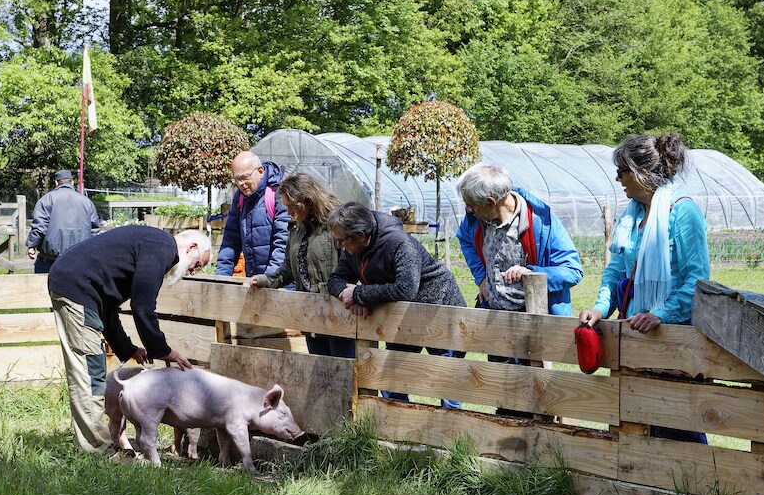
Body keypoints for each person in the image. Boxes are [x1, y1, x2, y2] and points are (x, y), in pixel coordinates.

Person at [577, 131, 710, 444]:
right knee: (640, 417)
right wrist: (600, 307)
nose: (618, 179)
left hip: (673, 336)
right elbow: (615, 270)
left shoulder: (682, 212)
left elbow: (697, 278)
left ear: (643, 173)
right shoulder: (633, 213)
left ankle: (696, 487)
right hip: (634, 333)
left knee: (678, 420)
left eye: (622, 172)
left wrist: (661, 314)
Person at [47, 226, 210, 454]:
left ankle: (96, 445)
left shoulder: (153, 243)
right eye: (198, 264)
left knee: (90, 368)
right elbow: (143, 306)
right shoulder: (163, 247)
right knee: (89, 370)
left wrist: (128, 348)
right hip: (76, 288)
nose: (193, 271)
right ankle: (98, 451)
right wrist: (163, 350)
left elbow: (109, 306)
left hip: (77, 286)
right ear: (192, 247)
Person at [326, 202, 467, 408]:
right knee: (391, 377)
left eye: (341, 241)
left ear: (360, 236)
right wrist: (348, 296)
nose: (339, 246)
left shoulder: (399, 244)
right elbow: (335, 279)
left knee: (444, 376)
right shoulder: (353, 249)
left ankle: (453, 434)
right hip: (401, 318)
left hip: (436, 309)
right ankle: (398, 431)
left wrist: (359, 293)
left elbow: (405, 289)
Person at [455, 162, 583, 317]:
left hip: (536, 319)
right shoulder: (475, 220)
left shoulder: (542, 222)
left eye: (471, 206)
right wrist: (482, 277)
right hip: (492, 316)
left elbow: (573, 271)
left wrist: (532, 273)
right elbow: (464, 239)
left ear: (491, 201)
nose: (469, 211)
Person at [248, 172, 355, 358]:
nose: (288, 211)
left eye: (290, 206)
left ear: (305, 200)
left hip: (337, 313)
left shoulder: (336, 224)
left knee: (345, 371)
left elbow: (353, 264)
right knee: (322, 371)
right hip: (310, 313)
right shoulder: (296, 228)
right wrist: (266, 280)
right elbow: (289, 268)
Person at [215, 151, 290, 279]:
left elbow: (283, 244)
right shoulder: (240, 198)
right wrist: (220, 278)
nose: (241, 183)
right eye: (237, 179)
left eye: (245, 177)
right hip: (255, 281)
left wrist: (269, 280)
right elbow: (230, 240)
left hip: (281, 282)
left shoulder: (279, 194)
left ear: (260, 171)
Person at [26, 169, 102, 274]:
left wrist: (32, 245)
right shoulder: (86, 202)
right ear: (72, 182)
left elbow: (39, 226)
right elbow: (94, 230)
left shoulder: (46, 200)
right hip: (79, 259)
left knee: (44, 288)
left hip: (50, 260)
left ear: (56, 183)